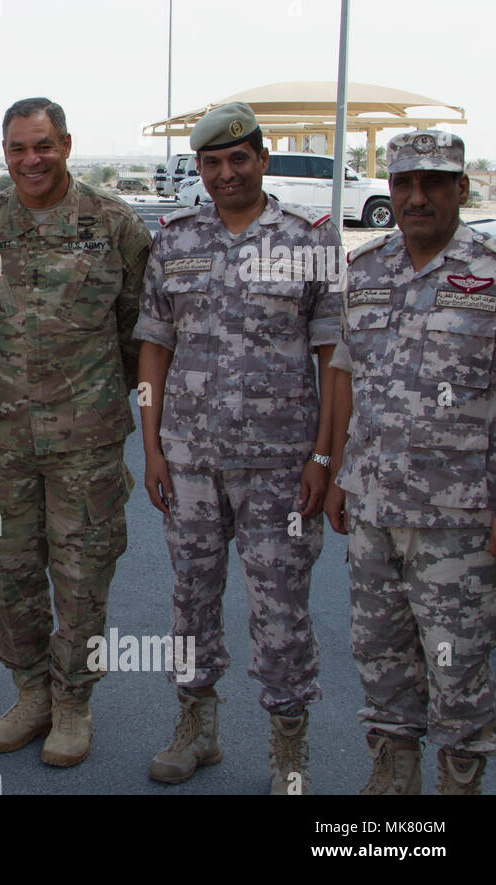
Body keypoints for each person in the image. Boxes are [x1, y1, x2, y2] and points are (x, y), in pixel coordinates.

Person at [136, 102, 342, 793]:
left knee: (280, 608)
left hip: (281, 465)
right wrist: (153, 447)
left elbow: (332, 357)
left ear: (262, 157)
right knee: (191, 597)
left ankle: (289, 746)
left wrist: (322, 458)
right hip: (189, 459)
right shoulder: (175, 240)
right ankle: (196, 727)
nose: (226, 173)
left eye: (238, 158)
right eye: (212, 163)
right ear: (200, 168)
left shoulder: (309, 239)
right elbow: (154, 347)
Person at [0, 97, 148, 767]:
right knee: (9, 570)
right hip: (9, 440)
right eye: (17, 148)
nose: (30, 159)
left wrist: (91, 390)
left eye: (42, 145)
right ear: (5, 151)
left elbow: (139, 330)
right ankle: (31, 692)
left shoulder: (115, 225)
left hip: (87, 441)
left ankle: (73, 702)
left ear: (66, 144)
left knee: (81, 576)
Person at [327, 130, 495, 795]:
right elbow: (345, 371)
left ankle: (460, 783)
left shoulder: (488, 275)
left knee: (458, 664)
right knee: (380, 653)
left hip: (456, 517)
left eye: (433, 182)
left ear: (461, 187)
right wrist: (335, 467)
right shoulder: (366, 270)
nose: (417, 196)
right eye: (403, 183)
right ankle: (393, 778)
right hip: (371, 506)